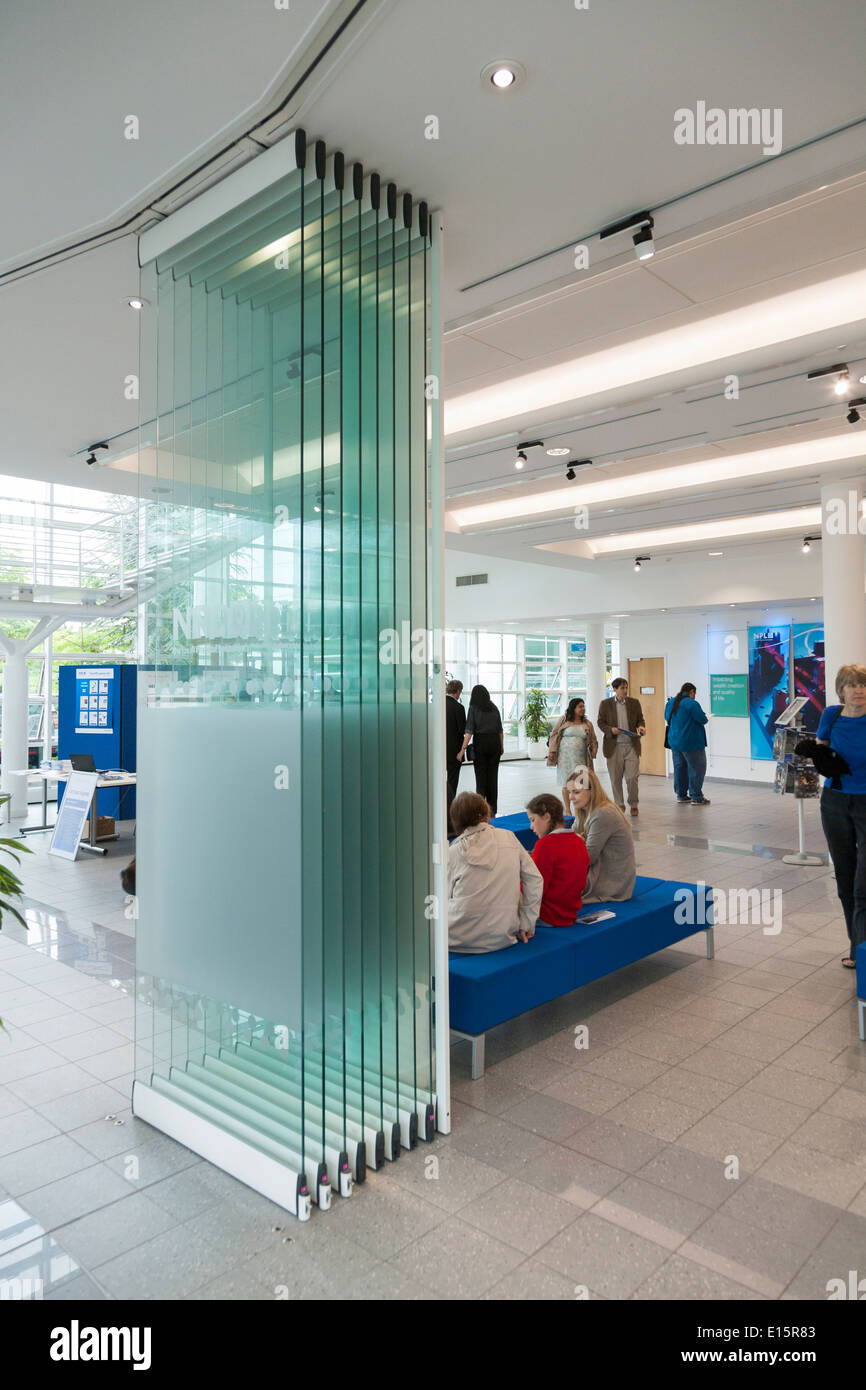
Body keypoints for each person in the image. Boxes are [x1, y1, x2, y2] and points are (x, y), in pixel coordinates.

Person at [814, 664, 866, 970]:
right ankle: (857, 947)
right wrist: (823, 760)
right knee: (845, 878)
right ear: (841, 690)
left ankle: (863, 949)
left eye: (863, 685)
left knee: (863, 884)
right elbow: (822, 749)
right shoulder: (831, 716)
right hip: (834, 801)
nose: (859, 690)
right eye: (852, 685)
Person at [448, 792, 543, 953]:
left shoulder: (453, 852)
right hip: (503, 935)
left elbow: (441, 896)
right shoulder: (509, 838)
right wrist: (527, 923)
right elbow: (534, 879)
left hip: (459, 938)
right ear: (486, 813)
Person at [566, 767, 636, 902]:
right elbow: (569, 840)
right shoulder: (583, 811)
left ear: (591, 791)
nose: (571, 798)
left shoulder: (602, 813)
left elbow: (587, 858)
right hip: (599, 871)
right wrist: (576, 842)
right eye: (569, 792)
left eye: (576, 792)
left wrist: (577, 843)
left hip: (611, 881)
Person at [526, 792, 590, 927]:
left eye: (532, 820)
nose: (531, 827)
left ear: (547, 817)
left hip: (547, 916)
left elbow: (535, 888)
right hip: (569, 913)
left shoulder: (545, 845)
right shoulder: (578, 841)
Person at [597, 677, 646, 816]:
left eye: (626, 688)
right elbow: (600, 722)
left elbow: (640, 719)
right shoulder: (605, 704)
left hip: (631, 746)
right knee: (615, 779)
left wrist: (641, 727)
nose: (625, 690)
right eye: (622, 688)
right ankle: (619, 805)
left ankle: (634, 804)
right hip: (614, 747)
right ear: (615, 689)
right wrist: (610, 730)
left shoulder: (634, 703)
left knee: (632, 777)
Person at [547, 697, 599, 817]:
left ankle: (581, 808)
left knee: (582, 781)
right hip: (565, 758)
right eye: (580, 706)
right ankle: (568, 809)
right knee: (566, 782)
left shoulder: (587, 723)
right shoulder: (563, 720)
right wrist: (552, 751)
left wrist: (594, 751)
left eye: (583, 706)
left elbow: (593, 739)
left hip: (581, 757)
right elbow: (554, 735)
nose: (583, 709)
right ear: (573, 708)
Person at [457, 685, 504, 817]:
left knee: (481, 778)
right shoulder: (494, 708)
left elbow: (469, 731)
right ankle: (492, 810)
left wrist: (462, 750)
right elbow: (500, 731)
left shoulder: (474, 708)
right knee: (493, 778)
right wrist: (501, 746)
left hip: (481, 744)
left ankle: (481, 810)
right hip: (494, 743)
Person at [664, 682, 711, 805]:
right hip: (691, 742)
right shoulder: (691, 703)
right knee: (697, 769)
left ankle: (681, 795)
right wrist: (706, 717)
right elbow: (702, 719)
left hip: (675, 742)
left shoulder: (671, 702)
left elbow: (667, 717)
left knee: (679, 769)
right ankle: (696, 797)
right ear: (692, 692)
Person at [445, 679, 466, 828]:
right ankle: (450, 809)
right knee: (452, 780)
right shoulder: (458, 708)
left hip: (439, 750)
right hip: (454, 751)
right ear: (458, 691)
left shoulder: (437, 705)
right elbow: (462, 729)